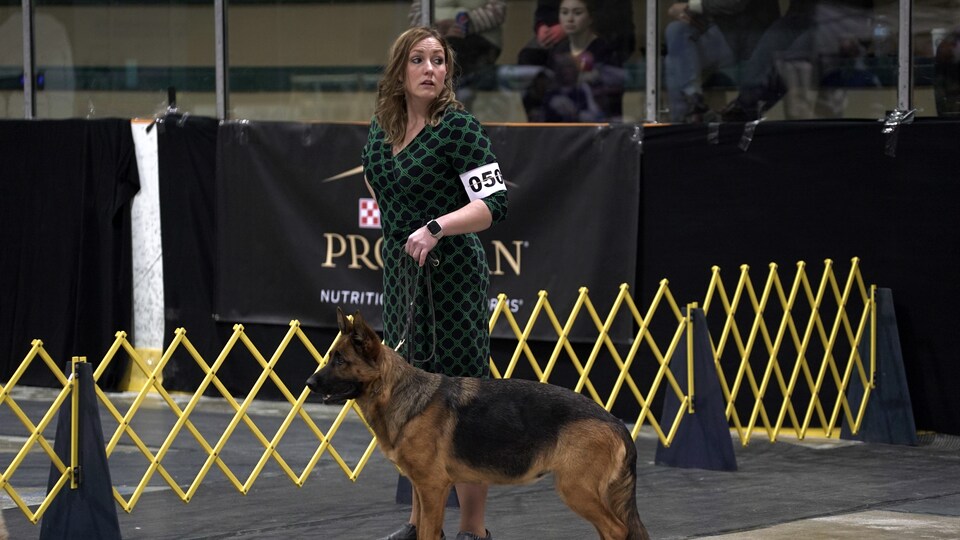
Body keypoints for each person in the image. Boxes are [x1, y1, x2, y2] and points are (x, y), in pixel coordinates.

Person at [361, 26, 508, 540]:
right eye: (419, 60)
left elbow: (493, 205)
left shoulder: (459, 129)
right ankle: (421, 525)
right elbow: (378, 181)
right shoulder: (382, 128)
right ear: (399, 70)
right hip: (402, 277)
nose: (430, 69)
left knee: (462, 408)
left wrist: (437, 225)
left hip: (453, 281)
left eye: (439, 60)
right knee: (410, 405)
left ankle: (473, 529)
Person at [663, 0, 780, 122]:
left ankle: (687, 116)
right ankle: (692, 107)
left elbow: (734, 4)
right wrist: (684, 12)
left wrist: (689, 6)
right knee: (675, 37)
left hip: (746, 37)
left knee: (674, 58)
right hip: (717, 32)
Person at [523, 0, 626, 122]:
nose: (570, 19)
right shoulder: (559, 52)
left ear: (591, 17)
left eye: (577, 13)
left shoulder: (604, 51)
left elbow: (611, 98)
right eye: (564, 13)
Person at [409, 0, 507, 109]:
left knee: (450, 53)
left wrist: (463, 25)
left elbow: (498, 10)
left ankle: (453, 110)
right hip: (434, 36)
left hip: (479, 38)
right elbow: (416, 13)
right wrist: (435, 28)